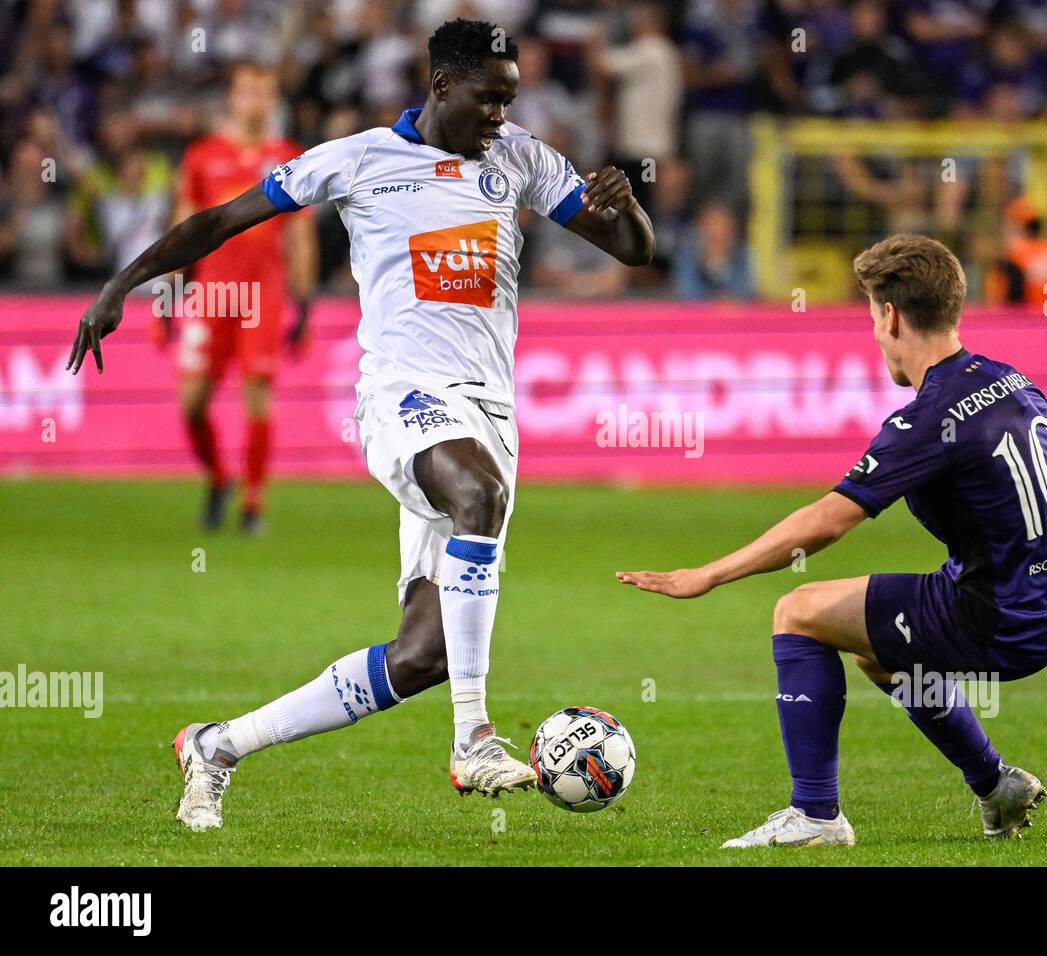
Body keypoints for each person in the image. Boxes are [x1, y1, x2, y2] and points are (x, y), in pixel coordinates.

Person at [66, 18, 655, 831]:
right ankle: (474, 738)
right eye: (489, 100)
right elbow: (222, 220)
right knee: (475, 494)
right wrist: (119, 286)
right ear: (442, 85)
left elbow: (632, 252)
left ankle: (217, 745)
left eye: (509, 100)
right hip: (403, 399)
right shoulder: (357, 158)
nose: (500, 116)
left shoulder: (520, 159)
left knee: (424, 656)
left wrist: (627, 212)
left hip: (490, 412)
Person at [618, 234, 1047, 847]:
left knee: (800, 612)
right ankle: (995, 785)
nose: (873, 334)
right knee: (875, 647)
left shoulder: (925, 421)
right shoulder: (1013, 380)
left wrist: (708, 574)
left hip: (1000, 619)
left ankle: (816, 817)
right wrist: (1024, 558)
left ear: (891, 316)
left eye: (872, 315)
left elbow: (828, 521)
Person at [162, 62, 317, 534]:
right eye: (247, 91)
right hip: (213, 296)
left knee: (258, 396)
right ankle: (217, 477)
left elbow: (300, 238)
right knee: (191, 404)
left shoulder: (289, 159)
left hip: (264, 296)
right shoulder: (202, 157)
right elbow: (183, 230)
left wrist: (304, 306)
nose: (256, 101)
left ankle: (252, 504)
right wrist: (165, 294)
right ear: (232, 98)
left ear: (274, 100)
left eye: (265, 92)